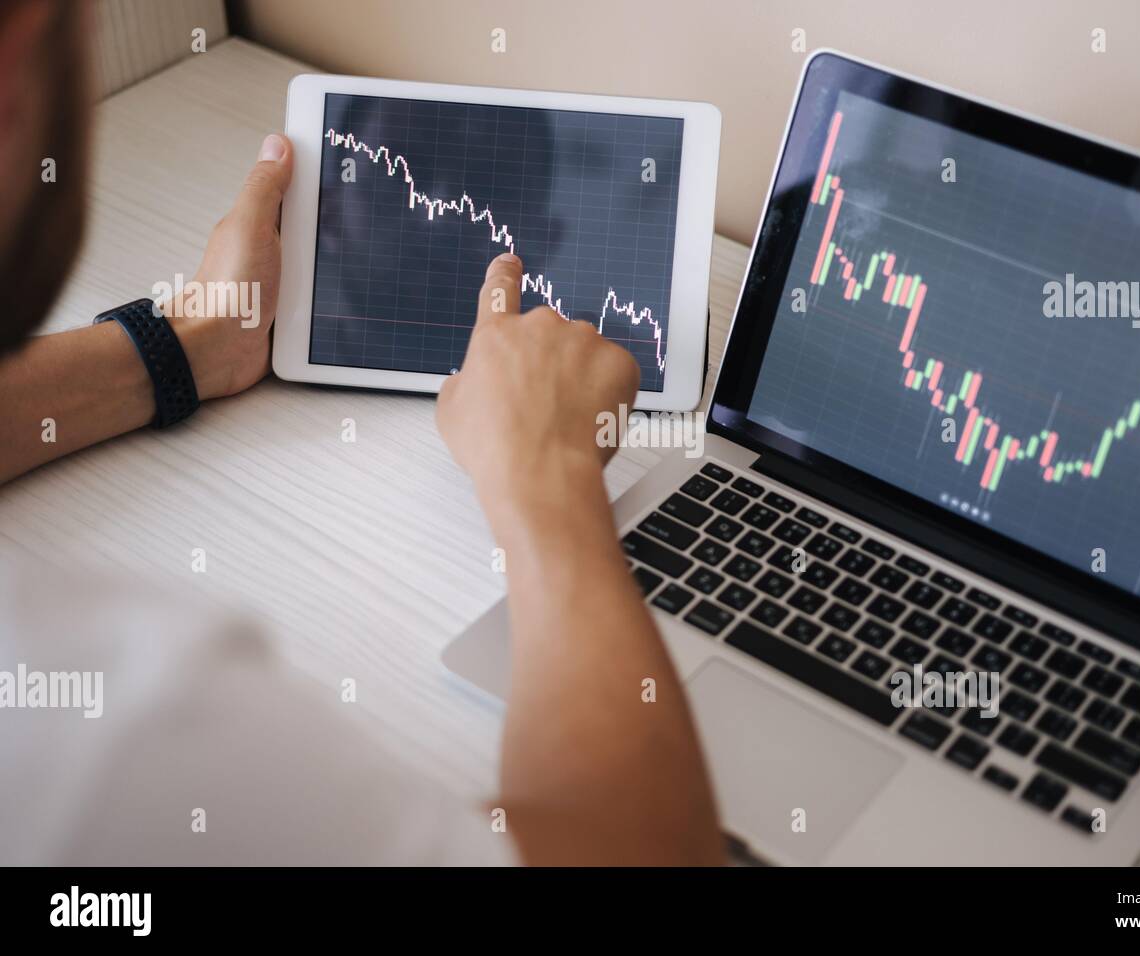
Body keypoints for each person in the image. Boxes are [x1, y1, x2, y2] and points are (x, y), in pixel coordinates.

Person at [0, 0, 722, 866]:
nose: (409, 206)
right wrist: (549, 476)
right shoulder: (118, 731)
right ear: (22, 49)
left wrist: (188, 345)